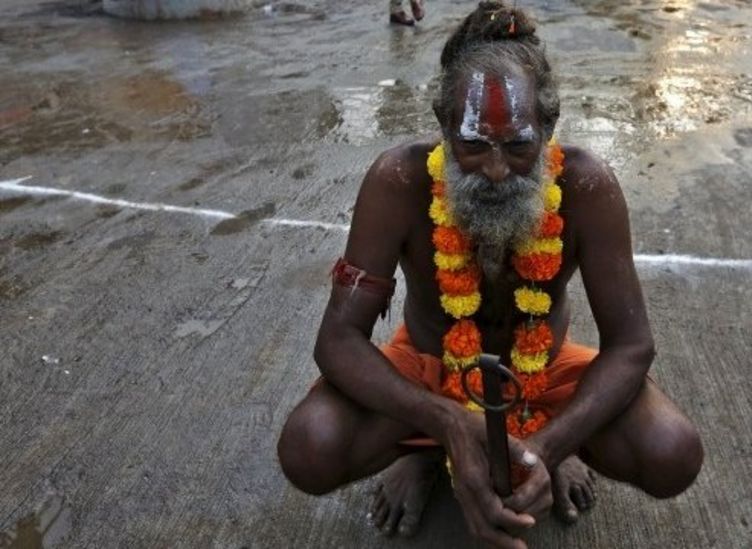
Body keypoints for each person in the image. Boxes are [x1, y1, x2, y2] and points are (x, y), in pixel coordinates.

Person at [278, 2, 703, 548]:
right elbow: (337, 341)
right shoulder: (397, 182)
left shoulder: (588, 187)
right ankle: (428, 455)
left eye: (520, 145)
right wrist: (449, 423)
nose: (497, 170)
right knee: (311, 447)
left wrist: (546, 448)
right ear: (443, 125)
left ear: (549, 127)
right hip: (431, 369)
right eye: (473, 144)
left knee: (670, 452)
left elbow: (632, 346)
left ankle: (550, 440)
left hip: (543, 370)